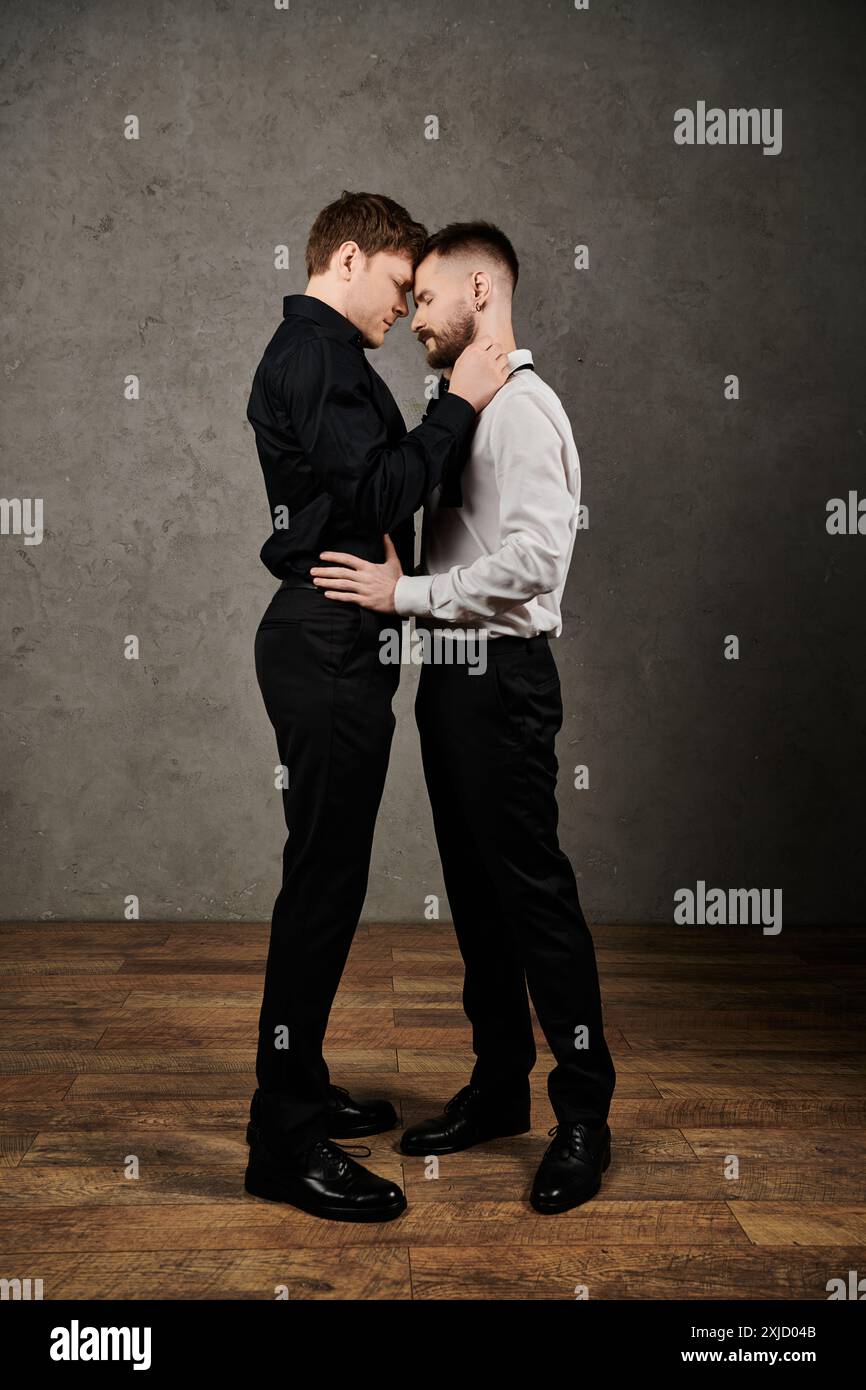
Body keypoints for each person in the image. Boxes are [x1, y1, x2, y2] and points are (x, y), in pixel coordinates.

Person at [310, 221, 616, 1213]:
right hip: (450, 678)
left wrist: (402, 599)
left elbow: (534, 563)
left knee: (533, 898)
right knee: (478, 903)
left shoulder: (523, 411)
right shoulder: (463, 403)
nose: (416, 320)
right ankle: (497, 1089)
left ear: (480, 288)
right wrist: (409, 579)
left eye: (430, 298)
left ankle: (582, 1115)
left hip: (501, 679)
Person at [245, 192, 510, 1222]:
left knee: (326, 881)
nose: (405, 308)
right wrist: (462, 401)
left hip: (331, 640)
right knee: (319, 889)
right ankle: (282, 1142)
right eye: (400, 285)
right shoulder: (314, 354)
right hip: (320, 647)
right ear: (346, 258)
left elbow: (355, 490)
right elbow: (370, 489)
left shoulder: (321, 358)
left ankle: (299, 1091)